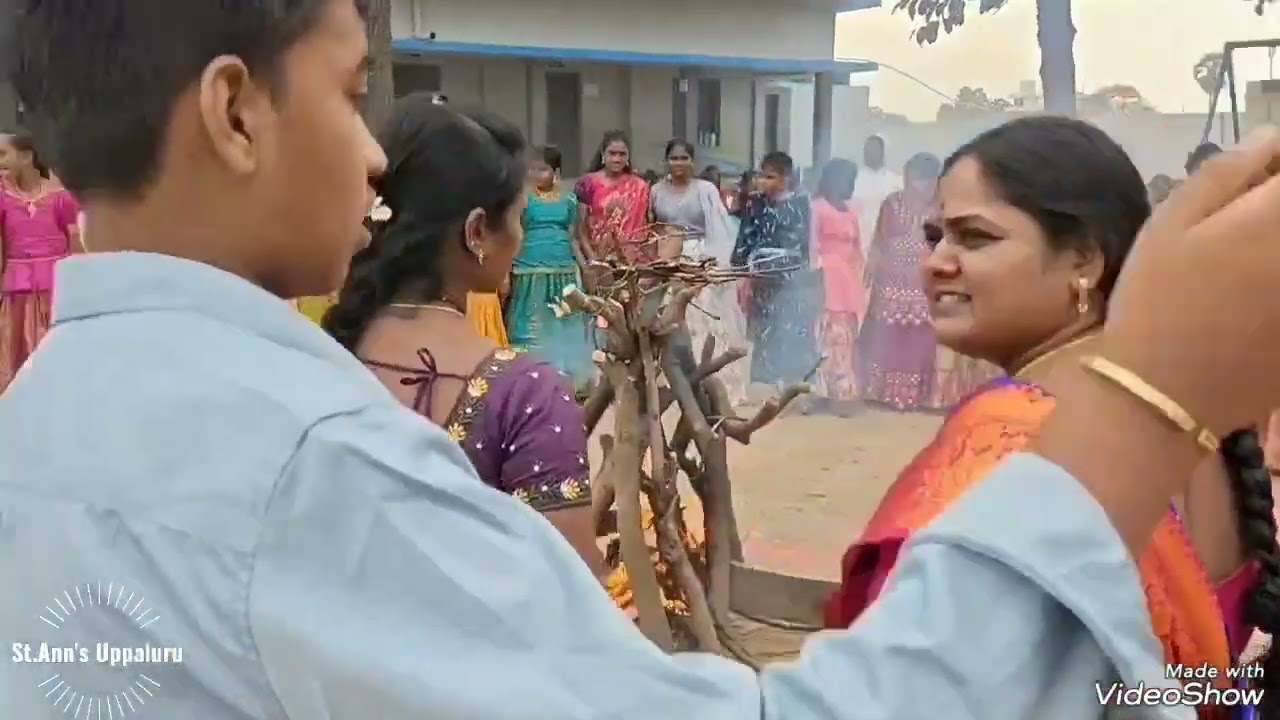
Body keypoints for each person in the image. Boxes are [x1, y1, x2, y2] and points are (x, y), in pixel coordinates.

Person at [12, 0, 1280, 716]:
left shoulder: (49, 411)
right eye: (350, 94)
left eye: (974, 236)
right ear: (236, 111)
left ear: (1082, 260)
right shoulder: (309, 467)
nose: (374, 155)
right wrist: (1144, 388)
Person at [827, 117, 1280, 712]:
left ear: (1083, 261)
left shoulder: (1018, 442)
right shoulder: (1192, 422)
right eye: (936, 236)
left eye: (976, 238)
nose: (937, 261)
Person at [321, 95, 601, 576]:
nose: (519, 237)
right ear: (477, 232)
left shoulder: (321, 354)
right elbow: (569, 604)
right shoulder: (529, 396)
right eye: (517, 218)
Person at [650, 139, 749, 404]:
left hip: (699, 260)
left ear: (693, 162)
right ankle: (672, 382)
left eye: (684, 158)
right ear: (666, 161)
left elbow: (718, 228)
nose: (679, 164)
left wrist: (713, 265)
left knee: (704, 319)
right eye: (674, 158)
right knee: (670, 318)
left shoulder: (705, 189)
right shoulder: (657, 191)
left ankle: (709, 380)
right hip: (668, 261)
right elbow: (654, 227)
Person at [857, 152, 942, 411]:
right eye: (916, 178)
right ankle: (881, 392)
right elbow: (880, 239)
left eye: (926, 179)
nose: (920, 185)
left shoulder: (940, 208)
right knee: (886, 334)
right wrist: (871, 266)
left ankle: (916, 396)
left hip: (924, 279)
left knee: (920, 338)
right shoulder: (891, 204)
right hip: (891, 279)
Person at [507, 144, 594, 392]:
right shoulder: (523, 199)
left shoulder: (569, 199)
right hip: (529, 270)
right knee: (530, 323)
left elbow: (574, 236)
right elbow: (517, 232)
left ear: (555, 170)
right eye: (532, 169)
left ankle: (565, 380)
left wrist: (585, 267)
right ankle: (529, 379)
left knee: (563, 320)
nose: (536, 174)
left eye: (542, 169)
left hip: (563, 269)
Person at [731, 151, 819, 390]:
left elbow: (804, 245)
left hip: (791, 281)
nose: (762, 181)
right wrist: (742, 274)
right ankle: (764, 386)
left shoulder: (801, 204)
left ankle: (795, 386)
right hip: (761, 280)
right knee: (763, 331)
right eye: (761, 176)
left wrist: (804, 276)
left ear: (786, 178)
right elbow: (744, 239)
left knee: (792, 329)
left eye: (769, 177)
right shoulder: (755, 204)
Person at [0, 132, 80, 391]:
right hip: (16, 291)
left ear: (27, 157)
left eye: (3, 154)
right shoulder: (3, 197)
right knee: (15, 352)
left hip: (54, 290)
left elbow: (75, 243)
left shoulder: (60, 197)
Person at [810, 157, 867, 415]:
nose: (849, 185)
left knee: (847, 336)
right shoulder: (817, 208)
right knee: (827, 335)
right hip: (825, 276)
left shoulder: (853, 210)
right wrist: (815, 275)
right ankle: (824, 393)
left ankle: (842, 392)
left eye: (852, 181)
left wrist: (861, 279)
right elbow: (811, 246)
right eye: (845, 179)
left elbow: (858, 248)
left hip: (848, 277)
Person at [574, 130, 653, 267]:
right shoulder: (587, 184)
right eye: (612, 153)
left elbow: (646, 228)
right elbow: (580, 230)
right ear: (603, 155)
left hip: (633, 264)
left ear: (628, 157)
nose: (617, 159)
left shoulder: (640, 186)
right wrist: (593, 260)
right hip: (598, 260)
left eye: (622, 154)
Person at [852, 135, 902, 263]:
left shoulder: (895, 181)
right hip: (860, 235)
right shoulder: (854, 180)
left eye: (875, 149)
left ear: (883, 152)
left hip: (888, 237)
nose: (871, 153)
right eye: (868, 149)